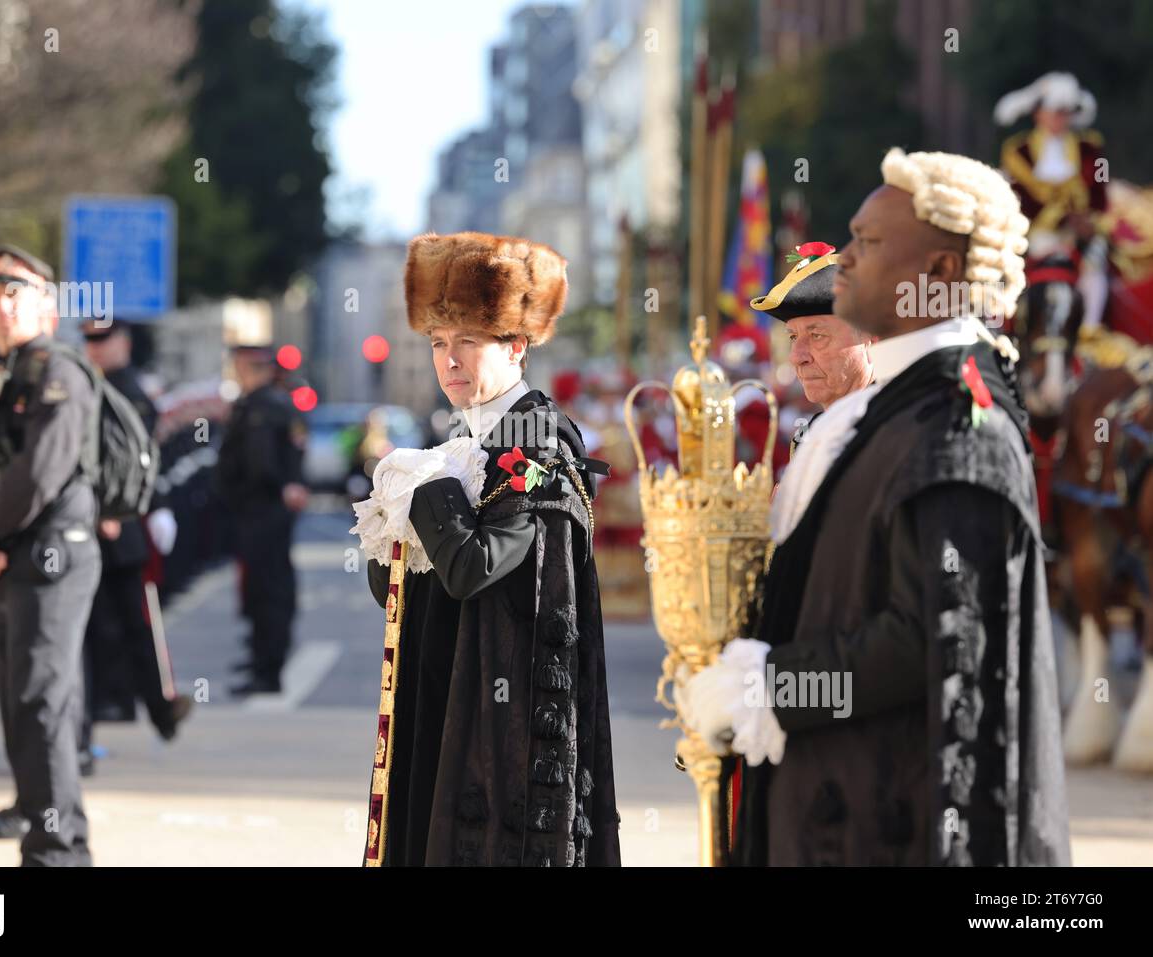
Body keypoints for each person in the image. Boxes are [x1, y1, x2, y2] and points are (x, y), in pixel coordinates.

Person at [675, 149, 1070, 865]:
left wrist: (773, 688)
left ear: (941, 273)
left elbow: (939, 641)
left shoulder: (958, 420)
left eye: (870, 242)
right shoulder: (897, 409)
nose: (846, 259)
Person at [357, 231, 620, 866]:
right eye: (439, 344)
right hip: (446, 701)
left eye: (468, 343)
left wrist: (428, 491)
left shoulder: (535, 439)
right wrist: (398, 522)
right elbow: (395, 589)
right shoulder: (460, 439)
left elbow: (471, 569)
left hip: (503, 727)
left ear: (517, 347)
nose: (450, 361)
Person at [0, 245, 100, 865]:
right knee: (23, 698)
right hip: (9, 554)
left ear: (47, 301)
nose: (2, 305)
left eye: (15, 292)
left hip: (52, 558)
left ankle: (60, 848)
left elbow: (39, 473)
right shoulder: (0, 373)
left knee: (43, 703)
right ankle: (36, 817)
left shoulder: (57, 370)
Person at [78, 318, 189, 739]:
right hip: (101, 522)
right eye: (89, 340)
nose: (94, 348)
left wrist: (155, 506)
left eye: (102, 340)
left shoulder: (127, 390)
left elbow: (139, 459)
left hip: (118, 523)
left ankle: (147, 706)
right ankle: (130, 706)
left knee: (127, 621)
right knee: (104, 625)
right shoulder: (92, 384)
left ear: (122, 343)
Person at [215, 343, 308, 695]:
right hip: (259, 511)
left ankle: (268, 668)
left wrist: (280, 486)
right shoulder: (271, 402)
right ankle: (262, 659)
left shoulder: (264, 405)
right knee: (260, 587)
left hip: (261, 510)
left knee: (265, 588)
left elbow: (262, 463)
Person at [995, 71, 1108, 328]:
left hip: (1080, 234)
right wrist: (1057, 218)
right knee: (1008, 273)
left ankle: (1090, 331)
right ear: (1038, 114)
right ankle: (1015, 330)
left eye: (1066, 112)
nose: (1061, 118)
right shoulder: (1019, 152)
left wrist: (1087, 222)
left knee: (1097, 271)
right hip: (1034, 232)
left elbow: (1099, 194)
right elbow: (1017, 199)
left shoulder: (1089, 148)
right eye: (1056, 111)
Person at [749, 245, 876, 453]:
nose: (796, 357)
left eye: (817, 336)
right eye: (793, 336)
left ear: (871, 339)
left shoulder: (898, 430)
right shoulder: (811, 433)